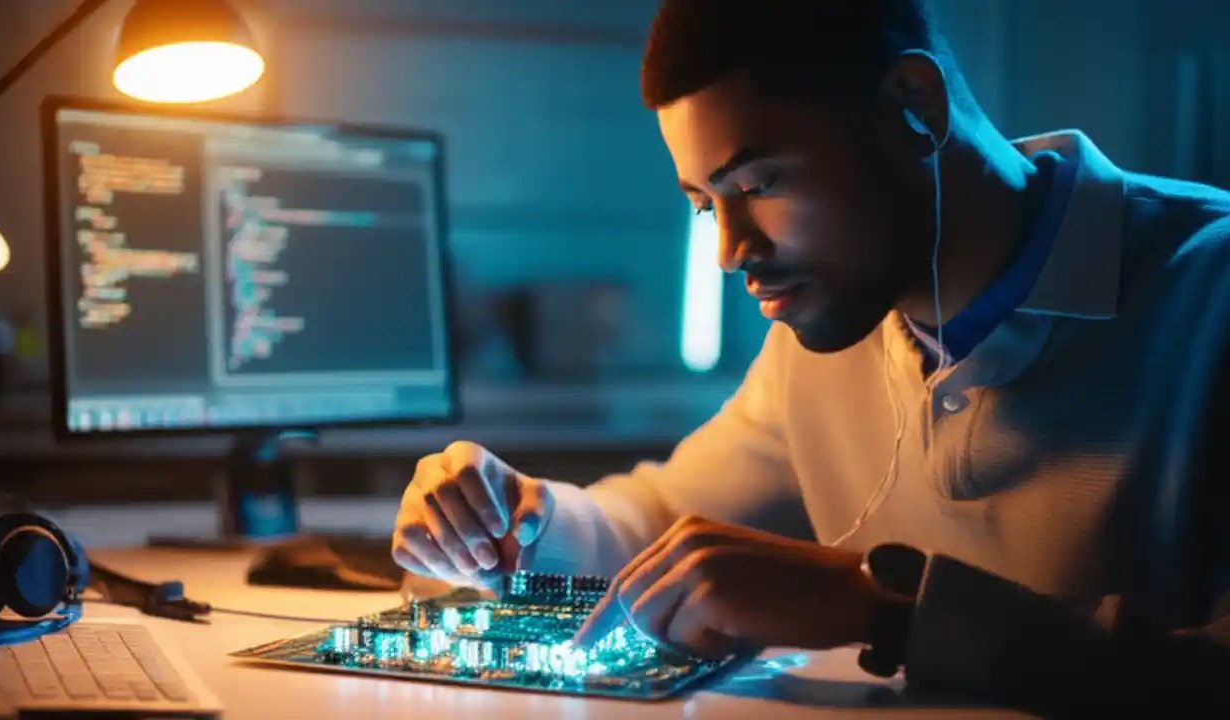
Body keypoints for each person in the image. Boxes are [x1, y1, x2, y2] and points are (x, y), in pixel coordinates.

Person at [391, 0, 1230, 714]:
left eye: (757, 185)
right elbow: (662, 527)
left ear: (914, 105)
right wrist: (519, 520)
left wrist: (884, 608)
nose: (729, 250)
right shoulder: (828, 332)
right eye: (703, 203)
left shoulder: (1209, 289)